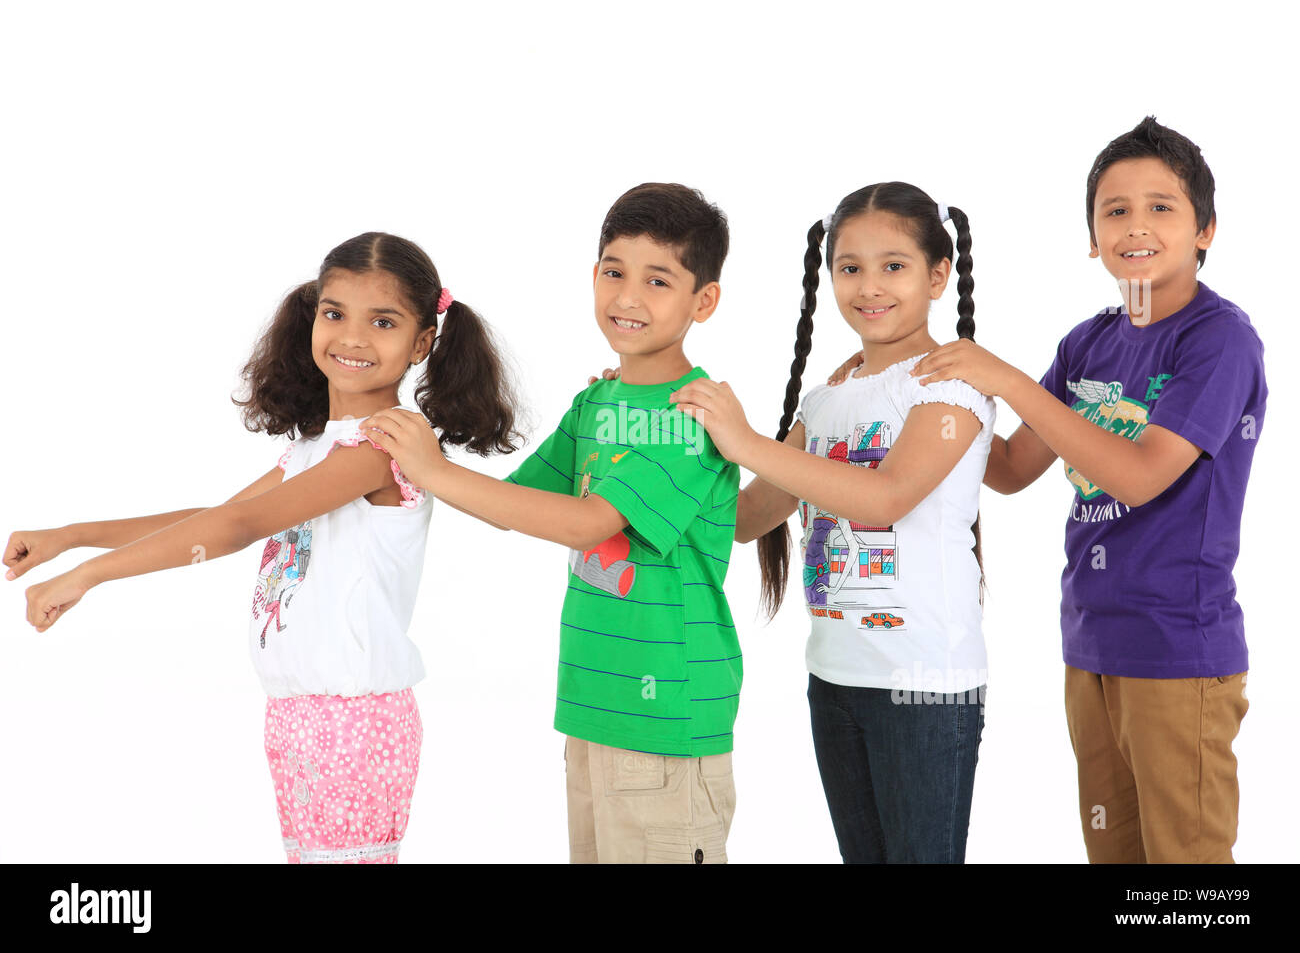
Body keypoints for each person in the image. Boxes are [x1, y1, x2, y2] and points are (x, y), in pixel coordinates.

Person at [6, 232, 520, 863]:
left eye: (382, 322)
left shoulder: (385, 447)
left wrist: (89, 574)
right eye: (335, 314)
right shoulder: (315, 450)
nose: (353, 337)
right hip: (298, 715)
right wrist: (72, 536)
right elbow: (220, 515)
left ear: (421, 342)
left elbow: (236, 530)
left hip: (352, 724)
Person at [905, 116, 1266, 863]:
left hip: (1179, 646)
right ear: (1093, 235)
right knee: (1117, 860)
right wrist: (912, 393)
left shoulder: (1220, 337)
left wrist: (1003, 377)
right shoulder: (1089, 340)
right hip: (1090, 639)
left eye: (1161, 207)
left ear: (1207, 230)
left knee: (1188, 879)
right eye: (1115, 210)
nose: (1136, 226)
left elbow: (1137, 477)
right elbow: (1008, 468)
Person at [360, 183, 741, 863]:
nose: (627, 297)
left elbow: (588, 522)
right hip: (594, 708)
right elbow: (515, 507)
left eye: (658, 280)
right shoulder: (598, 400)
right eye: (613, 272)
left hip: (664, 718)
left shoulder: (694, 415)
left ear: (702, 301)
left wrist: (435, 471)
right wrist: (424, 454)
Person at [670, 182, 994, 863]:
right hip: (836, 678)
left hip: (922, 686)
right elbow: (750, 516)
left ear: (939, 275)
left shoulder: (950, 389)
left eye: (894, 266)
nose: (869, 286)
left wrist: (748, 439)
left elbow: (885, 498)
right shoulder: (824, 403)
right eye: (850, 268)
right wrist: (653, 437)